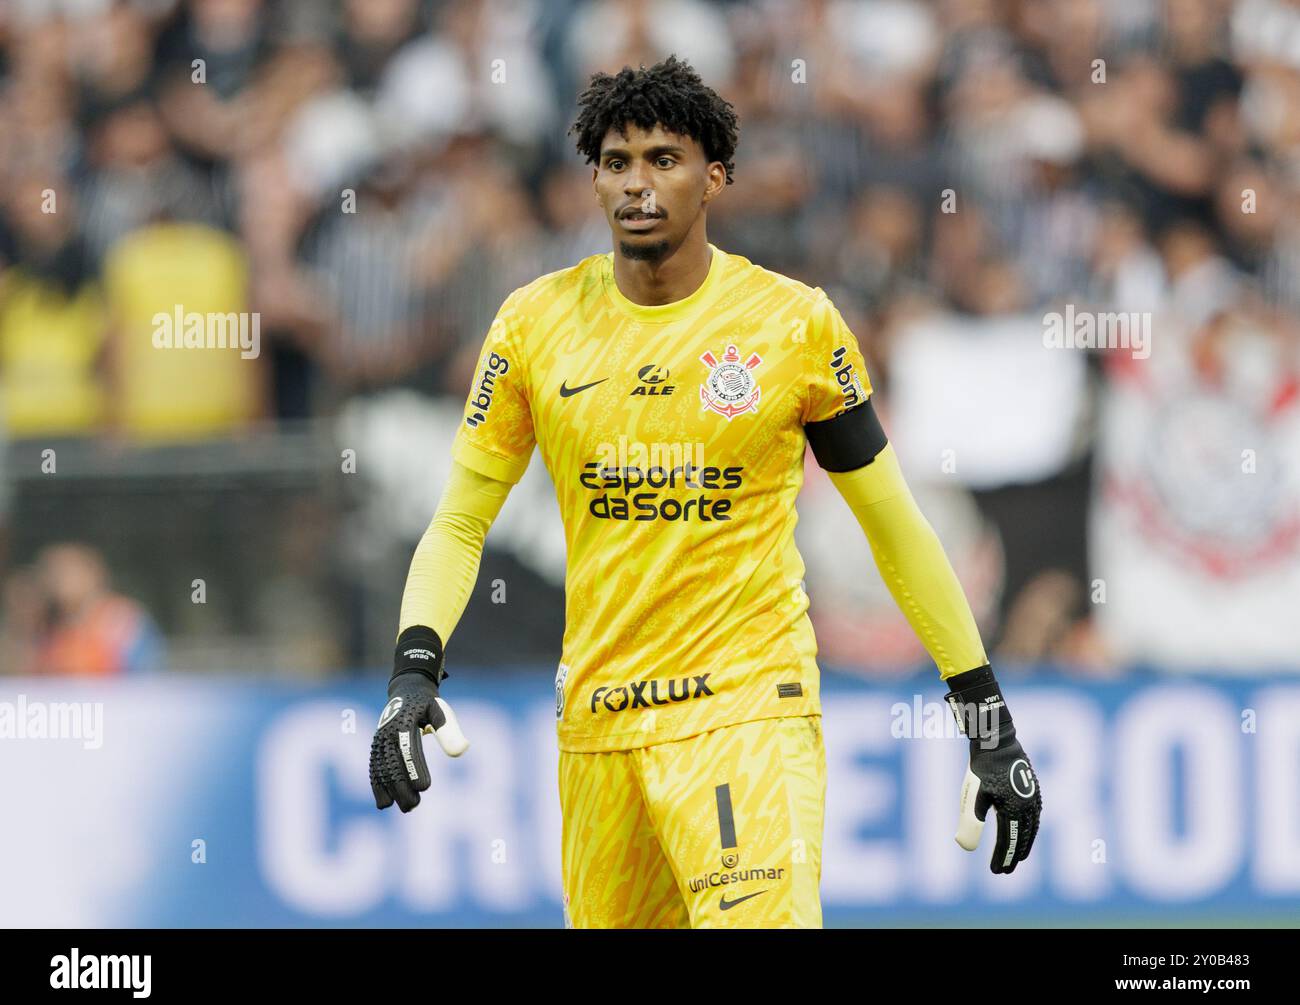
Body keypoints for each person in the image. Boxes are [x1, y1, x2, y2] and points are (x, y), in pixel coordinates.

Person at [368, 55, 1042, 929]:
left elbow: (894, 525)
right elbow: (459, 522)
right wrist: (412, 669)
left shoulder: (791, 326)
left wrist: (983, 715)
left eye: (664, 159)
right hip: (599, 731)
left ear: (715, 176)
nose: (637, 184)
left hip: (746, 714)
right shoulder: (533, 327)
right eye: (617, 163)